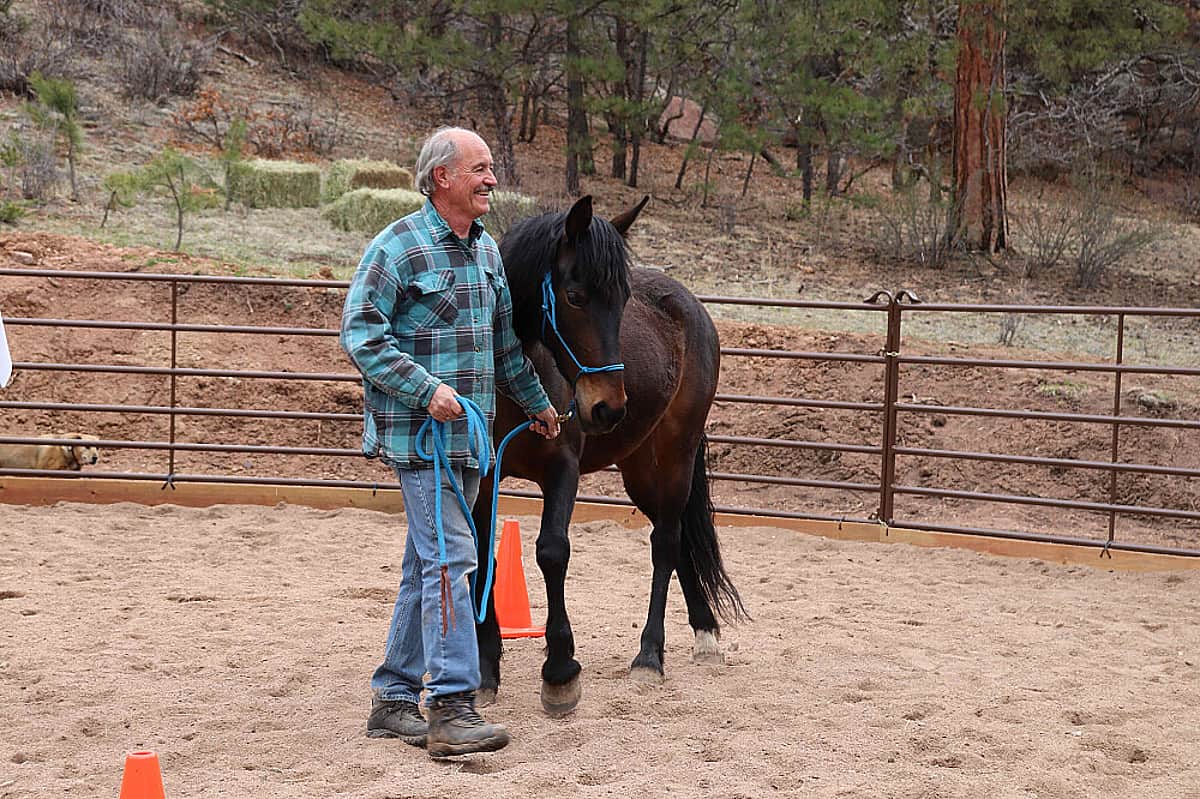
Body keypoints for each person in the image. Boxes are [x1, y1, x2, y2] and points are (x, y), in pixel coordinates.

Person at [340, 126, 559, 758]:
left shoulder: (486, 253)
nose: (492, 178)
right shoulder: (398, 249)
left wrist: (541, 405)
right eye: (480, 168)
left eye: (491, 169)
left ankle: (392, 700)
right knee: (451, 560)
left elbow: (503, 348)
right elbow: (361, 335)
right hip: (421, 437)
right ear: (443, 178)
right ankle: (453, 705)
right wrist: (423, 389)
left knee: (427, 562)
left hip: (469, 437)